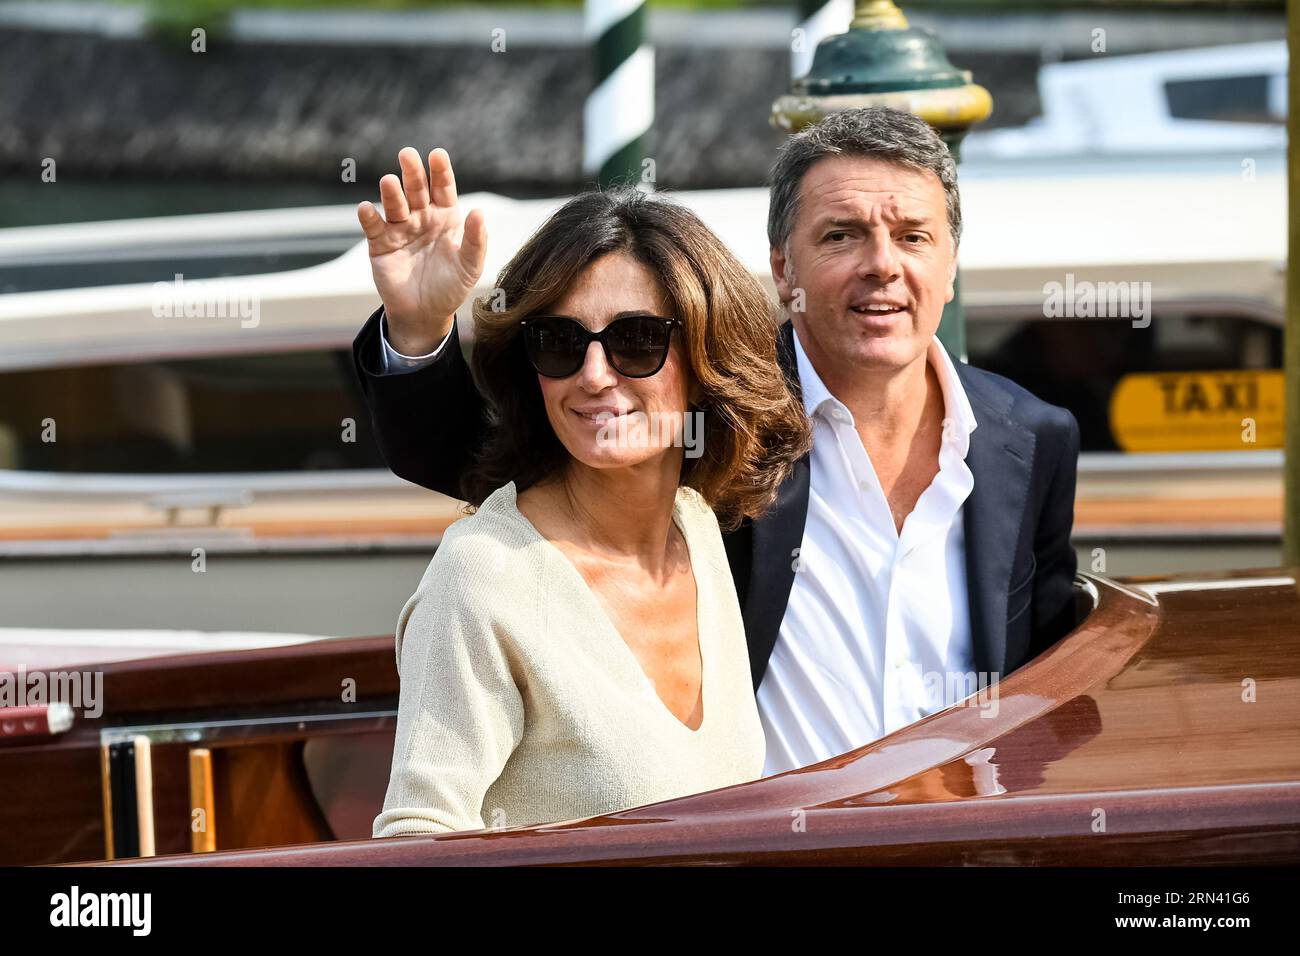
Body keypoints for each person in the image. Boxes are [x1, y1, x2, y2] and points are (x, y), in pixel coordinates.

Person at [353, 107, 1081, 781]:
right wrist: (417, 331)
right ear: (783, 268)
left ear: (951, 263)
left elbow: (1049, 673)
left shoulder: (1032, 438)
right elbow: (491, 448)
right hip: (768, 845)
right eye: (840, 235)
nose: (882, 265)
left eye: (914, 236)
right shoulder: (709, 408)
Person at [361, 149, 810, 835]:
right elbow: (418, 842)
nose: (595, 375)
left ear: (706, 360)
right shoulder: (483, 575)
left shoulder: (699, 527)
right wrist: (419, 329)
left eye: (636, 341)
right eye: (560, 343)